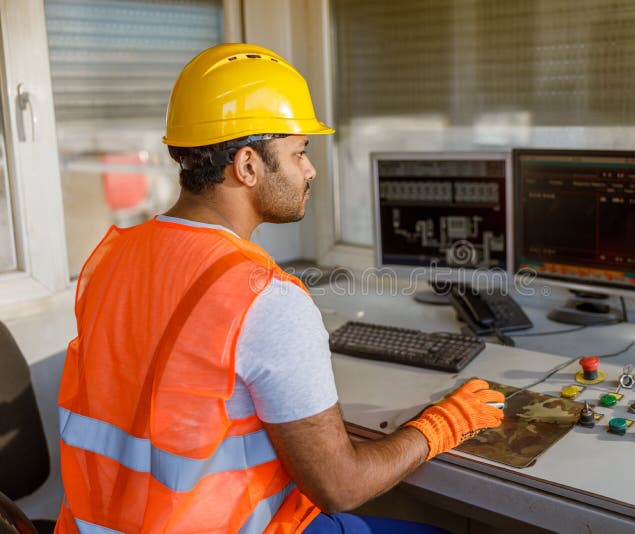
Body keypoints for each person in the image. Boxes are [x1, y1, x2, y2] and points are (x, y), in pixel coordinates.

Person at [55, 43, 504, 534]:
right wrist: (443, 425)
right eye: (299, 152)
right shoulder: (265, 297)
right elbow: (340, 488)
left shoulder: (113, 257)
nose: (309, 170)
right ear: (248, 165)